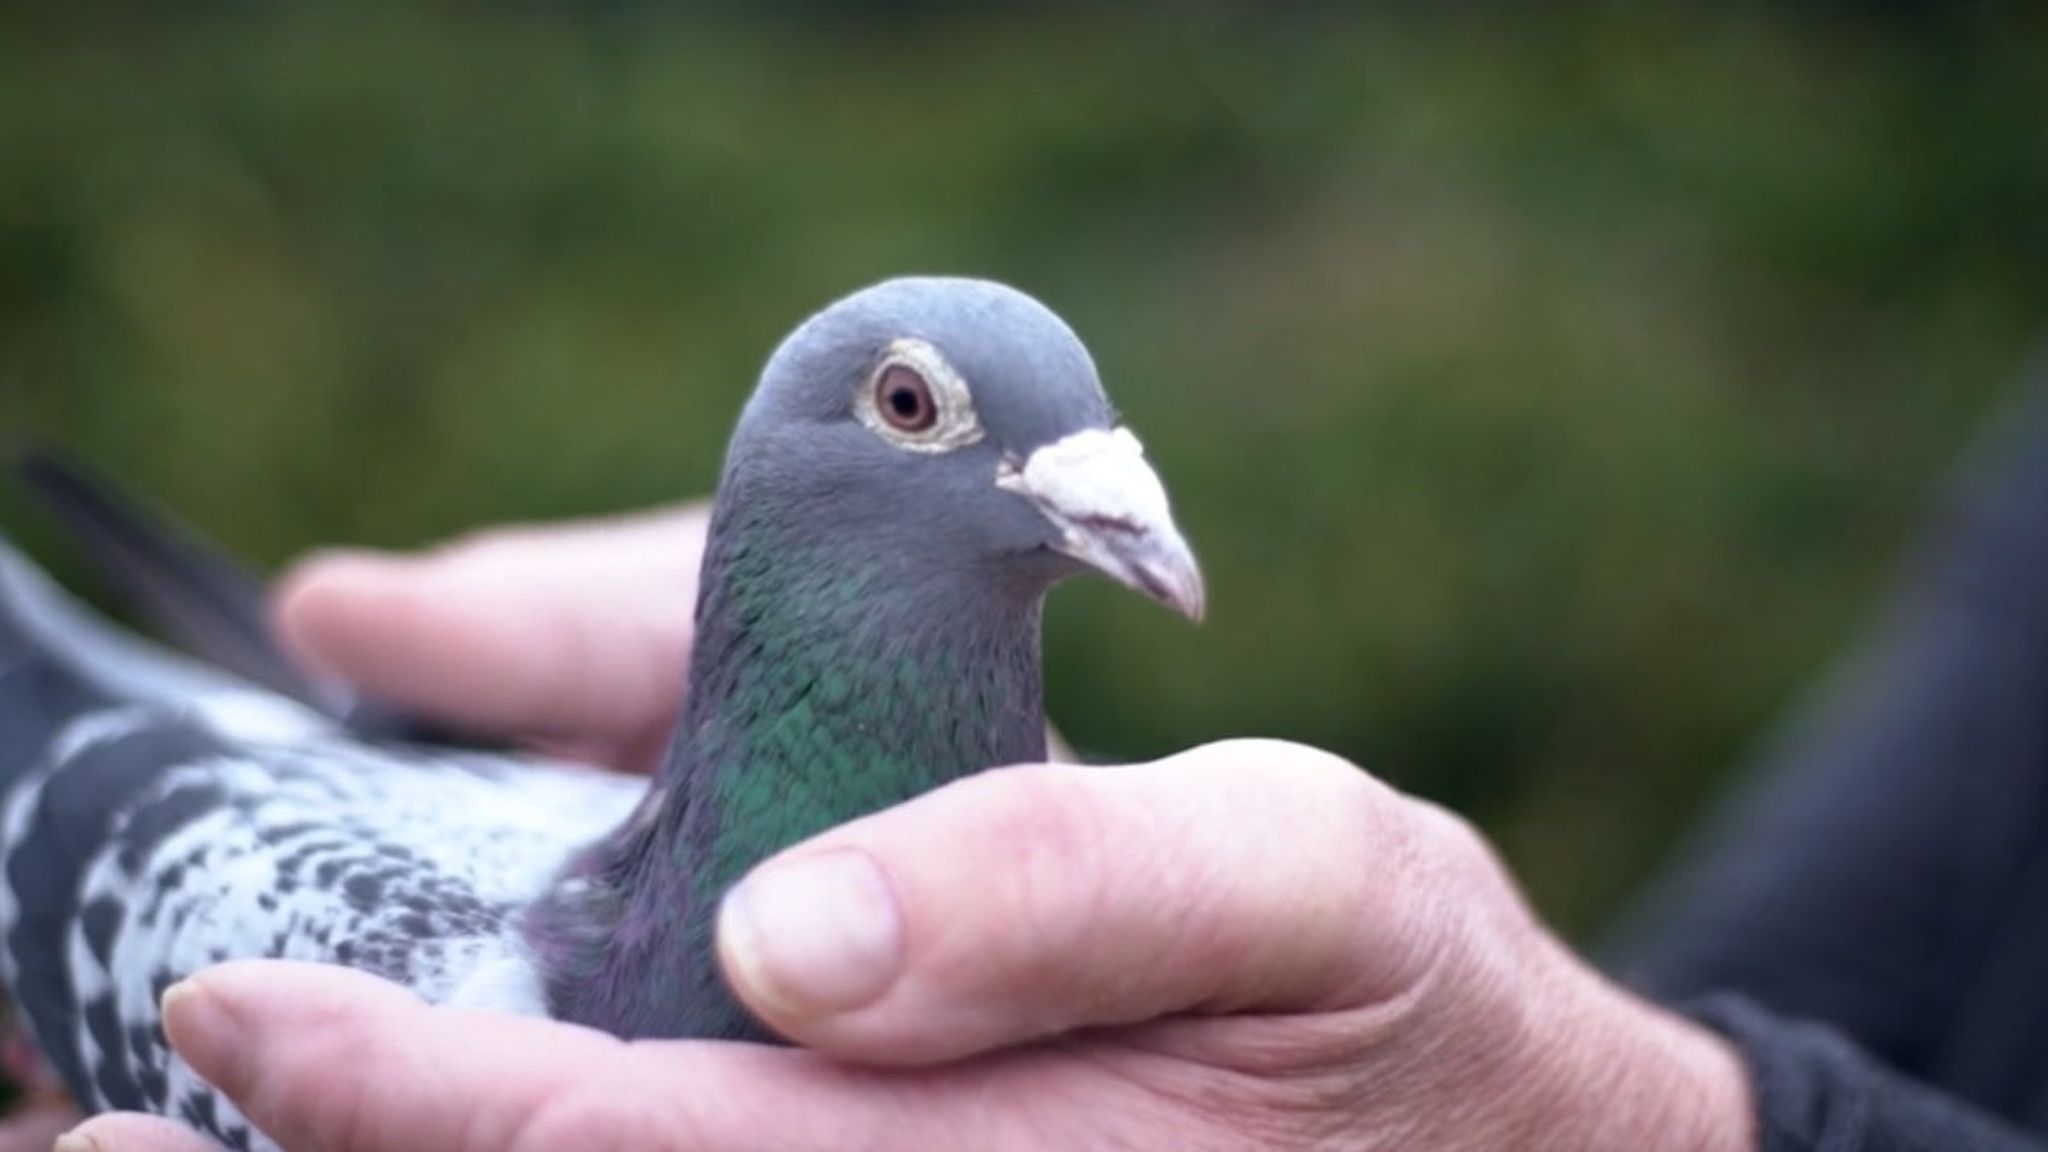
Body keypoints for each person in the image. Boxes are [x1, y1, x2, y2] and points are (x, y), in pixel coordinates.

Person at [15, 368, 2048, 1151]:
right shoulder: (409, 1001)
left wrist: (1605, 1120)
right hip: (332, 830)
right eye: (916, 409)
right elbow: (1841, 971)